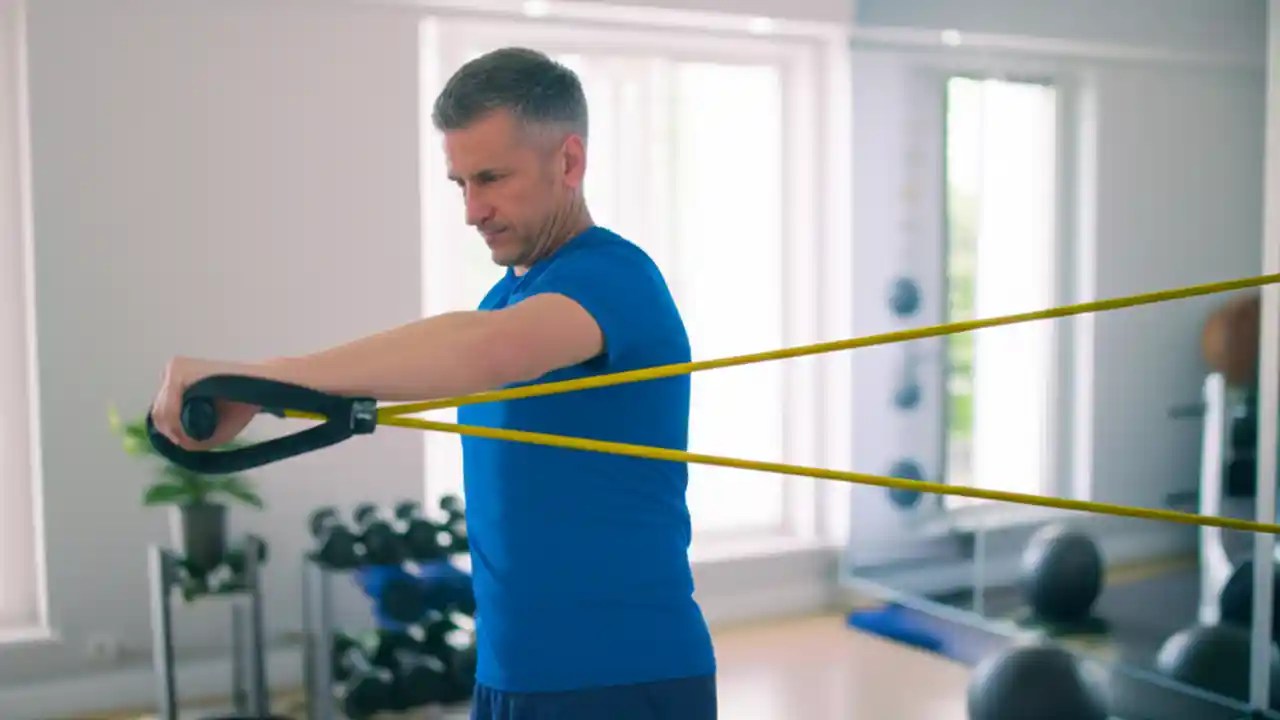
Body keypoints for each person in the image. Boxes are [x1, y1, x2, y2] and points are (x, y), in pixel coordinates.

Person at [148, 47, 718, 719]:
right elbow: (469, 342)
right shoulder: (502, 299)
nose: (473, 210)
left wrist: (260, 379)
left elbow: (481, 351)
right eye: (461, 184)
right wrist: (269, 392)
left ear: (568, 161)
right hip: (515, 676)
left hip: (620, 677)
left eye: (492, 178)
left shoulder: (616, 281)